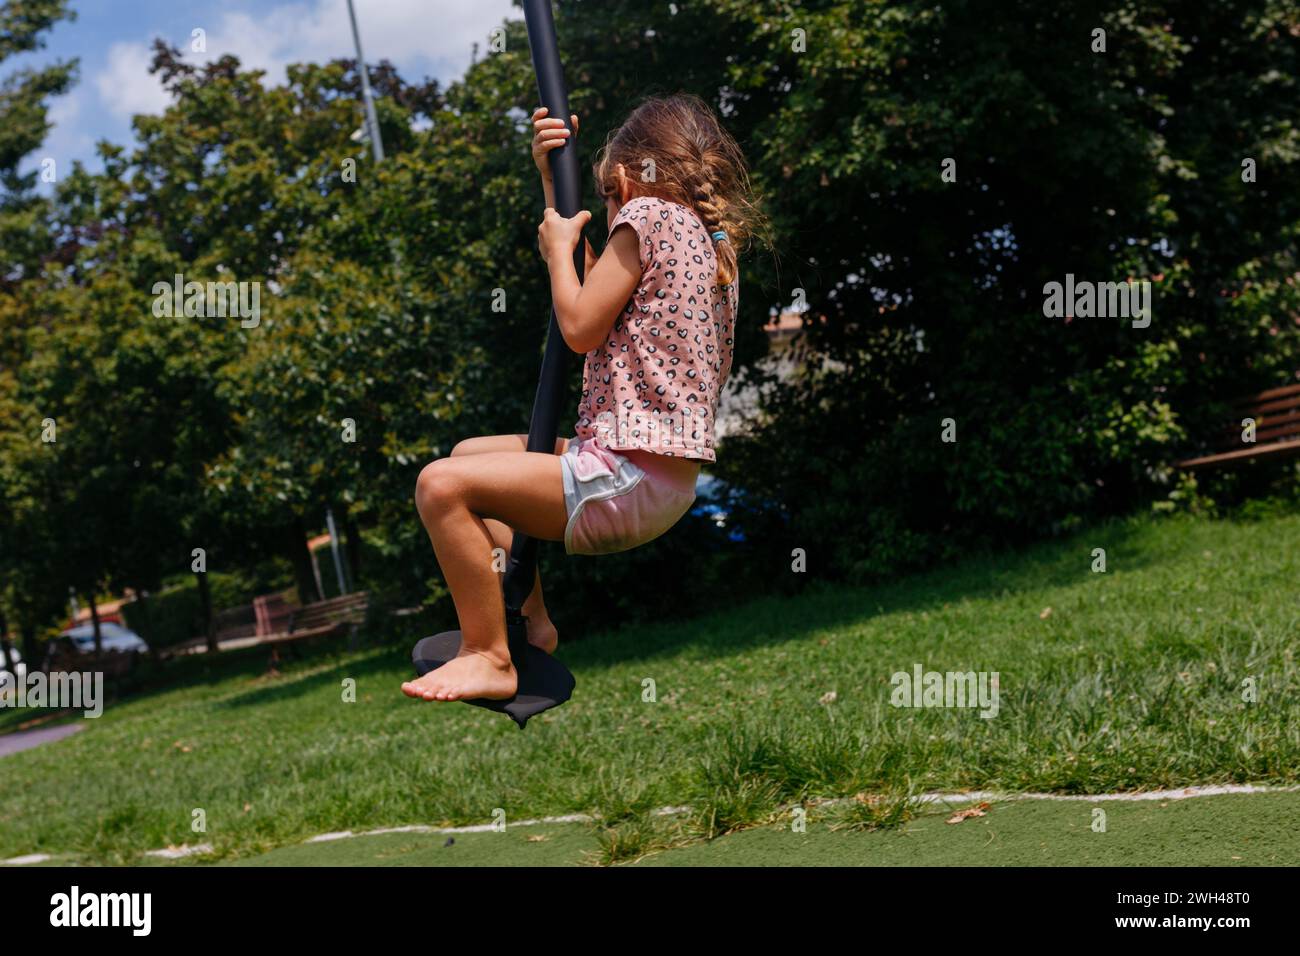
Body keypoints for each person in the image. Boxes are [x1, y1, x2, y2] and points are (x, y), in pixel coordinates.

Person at [401, 94, 760, 703]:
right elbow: (599, 292)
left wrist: (554, 252)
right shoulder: (704, 237)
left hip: (625, 477)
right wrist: (552, 186)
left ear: (622, 179)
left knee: (440, 485)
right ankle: (532, 624)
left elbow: (579, 326)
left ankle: (487, 654)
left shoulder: (646, 217)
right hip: (648, 476)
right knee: (469, 458)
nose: (607, 213)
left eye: (604, 199)